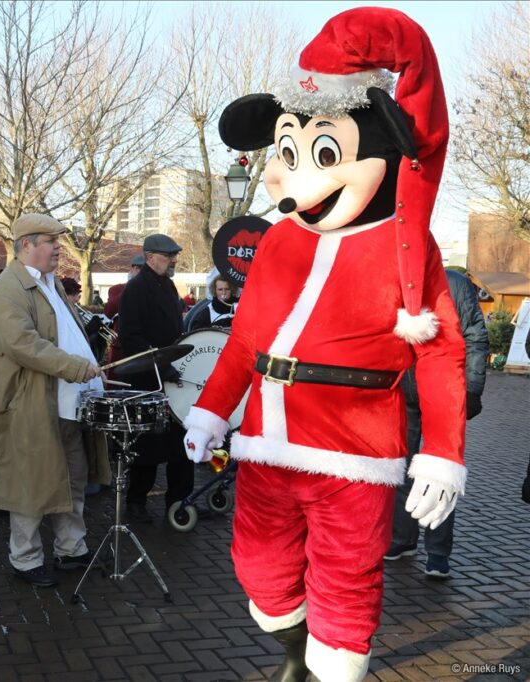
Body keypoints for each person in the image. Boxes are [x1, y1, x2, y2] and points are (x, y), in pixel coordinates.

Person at [182, 10, 466, 679]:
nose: (290, 176)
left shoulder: (404, 243)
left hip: (355, 451)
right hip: (265, 444)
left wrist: (443, 454)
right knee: (259, 572)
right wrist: (210, 409)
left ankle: (328, 666)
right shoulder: (279, 240)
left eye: (323, 153)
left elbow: (443, 350)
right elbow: (247, 339)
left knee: (345, 582)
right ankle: (293, 645)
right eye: (287, 152)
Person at [0, 213, 110, 588]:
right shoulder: (7, 289)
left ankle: (72, 548)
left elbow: (67, 335)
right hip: (30, 404)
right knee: (30, 483)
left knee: (72, 475)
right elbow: (23, 345)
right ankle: (25, 559)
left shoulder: (48, 284)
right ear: (26, 246)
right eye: (51, 241)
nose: (58, 248)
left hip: (65, 402)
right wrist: (74, 367)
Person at [385, 270, 488, 578]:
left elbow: (475, 336)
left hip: (443, 388)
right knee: (402, 468)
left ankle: (438, 552)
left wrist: (471, 388)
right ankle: (403, 540)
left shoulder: (454, 283)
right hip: (403, 386)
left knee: (441, 472)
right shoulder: (397, 279)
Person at [117, 234, 194, 523]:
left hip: (170, 376)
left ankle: (180, 499)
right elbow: (131, 337)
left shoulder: (168, 284)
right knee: (147, 445)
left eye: (174, 255)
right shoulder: (136, 289)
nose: (174, 260)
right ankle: (136, 501)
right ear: (150, 257)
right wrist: (159, 364)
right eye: (168, 256)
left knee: (179, 441)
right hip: (149, 379)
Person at [103, 254, 145, 365]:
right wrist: (131, 287)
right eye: (138, 268)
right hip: (121, 345)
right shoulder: (117, 289)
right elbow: (109, 311)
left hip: (145, 345)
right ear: (133, 269)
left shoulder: (153, 290)